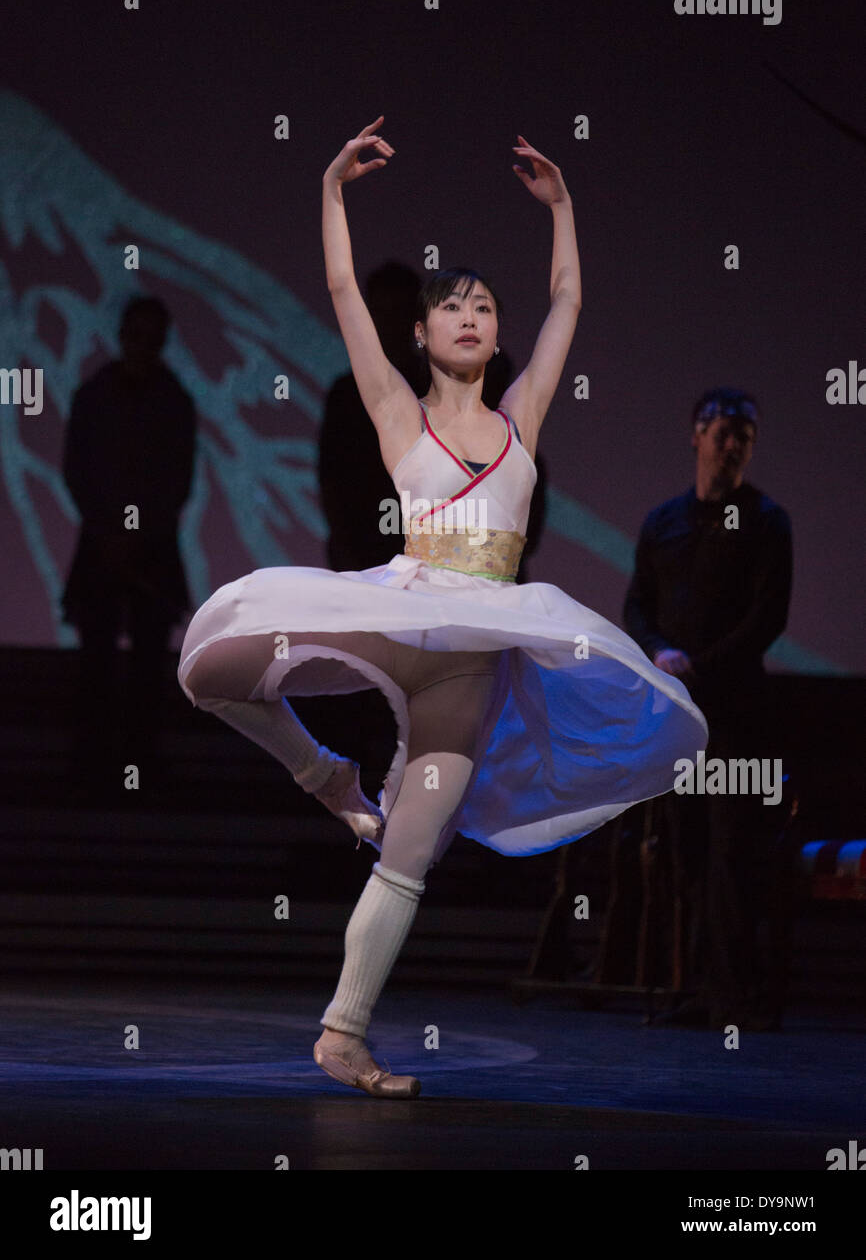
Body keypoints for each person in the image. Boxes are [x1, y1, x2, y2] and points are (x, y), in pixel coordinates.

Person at [178, 117, 707, 1097]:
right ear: (419, 335)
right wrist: (331, 188)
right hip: (403, 610)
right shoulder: (395, 411)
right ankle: (325, 774)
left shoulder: (521, 419)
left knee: (409, 851)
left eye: (483, 308)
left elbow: (568, 297)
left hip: (474, 655)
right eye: (450, 307)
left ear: (497, 337)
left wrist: (563, 207)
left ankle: (342, 1035)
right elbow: (342, 290)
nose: (469, 317)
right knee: (211, 668)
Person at [622, 389, 795, 1028]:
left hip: (736, 718)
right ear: (696, 436)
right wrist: (660, 652)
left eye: (743, 437)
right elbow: (637, 605)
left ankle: (738, 995)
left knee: (732, 852)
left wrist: (701, 664)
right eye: (722, 433)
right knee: (687, 848)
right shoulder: (664, 522)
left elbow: (766, 618)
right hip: (676, 718)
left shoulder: (767, 522)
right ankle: (699, 988)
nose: (732, 446)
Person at [62, 296, 196, 785]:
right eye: (137, 334)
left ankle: (122, 761)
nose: (143, 345)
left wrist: (122, 535)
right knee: (104, 661)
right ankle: (103, 762)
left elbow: (175, 479)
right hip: (123, 547)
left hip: (135, 548)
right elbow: (78, 469)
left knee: (141, 664)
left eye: (150, 336)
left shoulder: (165, 401)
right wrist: (117, 532)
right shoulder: (106, 396)